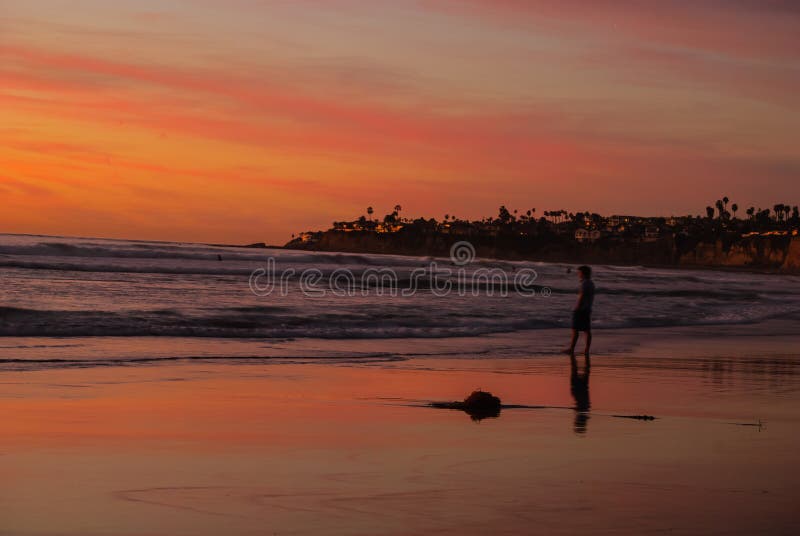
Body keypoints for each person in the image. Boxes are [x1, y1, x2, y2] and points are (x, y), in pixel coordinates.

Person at [563, 265, 594, 357]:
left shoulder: (584, 283)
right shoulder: (591, 283)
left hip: (581, 309)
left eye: (579, 272)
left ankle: (571, 349)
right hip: (587, 309)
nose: (578, 274)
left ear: (583, 273)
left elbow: (582, 295)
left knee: (575, 329)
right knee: (586, 330)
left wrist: (577, 307)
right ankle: (586, 350)